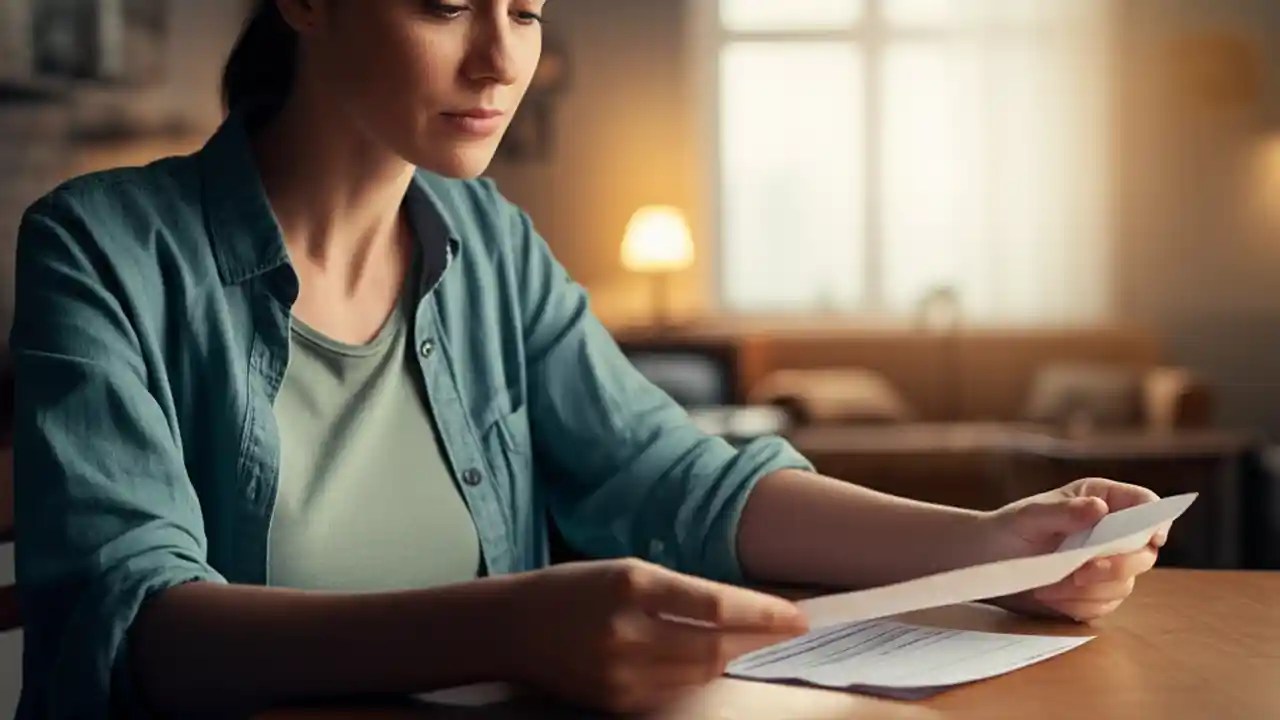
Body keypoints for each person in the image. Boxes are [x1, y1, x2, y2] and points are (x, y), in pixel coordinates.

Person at [9, 1, 1167, 717]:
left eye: (525, 10)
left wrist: (987, 546)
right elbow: (143, 629)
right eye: (446, 5)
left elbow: (670, 475)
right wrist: (512, 625)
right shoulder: (99, 247)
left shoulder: (490, 245)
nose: (498, 61)